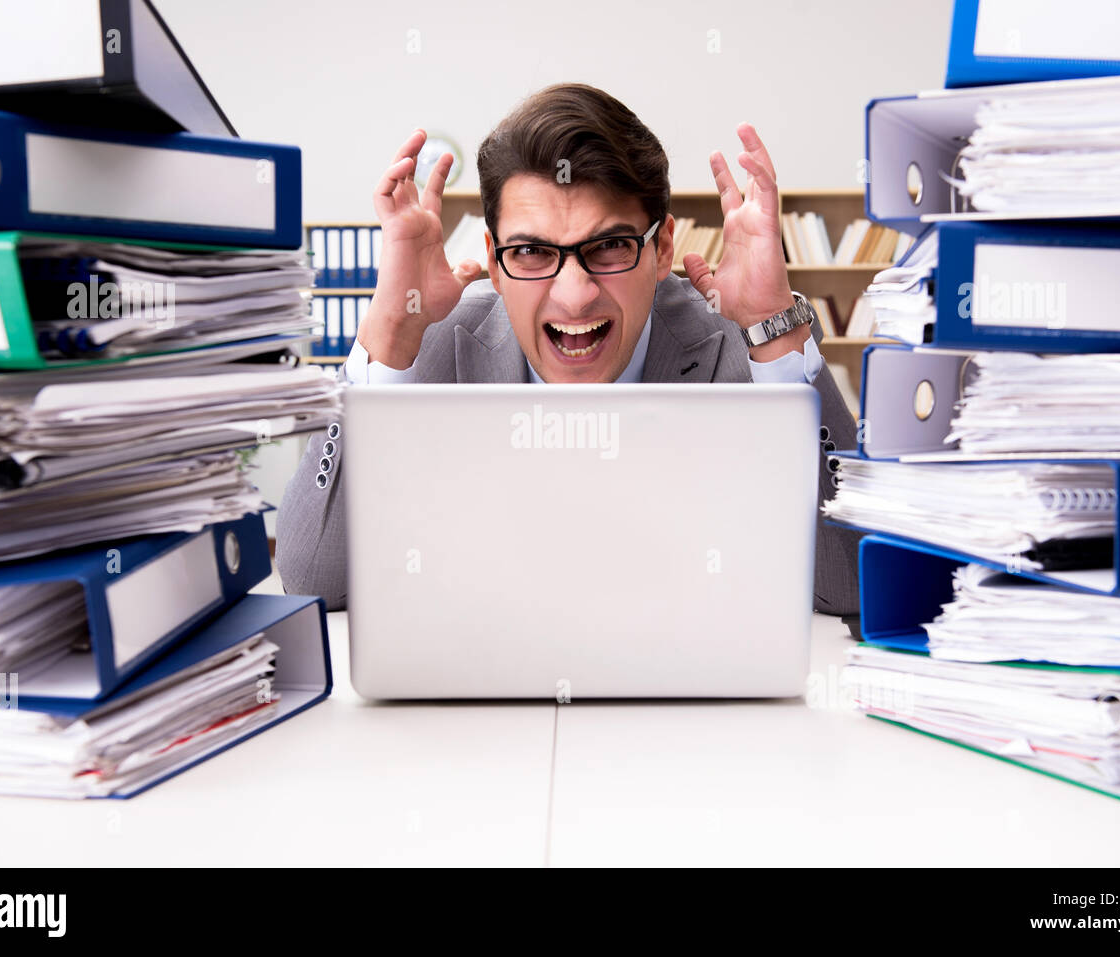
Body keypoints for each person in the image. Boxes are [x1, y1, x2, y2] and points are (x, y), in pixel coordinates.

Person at [277, 83, 861, 614]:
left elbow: (851, 584)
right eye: (532, 252)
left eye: (609, 246)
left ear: (662, 251)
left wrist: (773, 326)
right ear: (494, 261)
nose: (575, 296)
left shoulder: (748, 346)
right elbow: (315, 580)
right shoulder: (429, 343)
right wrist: (388, 332)